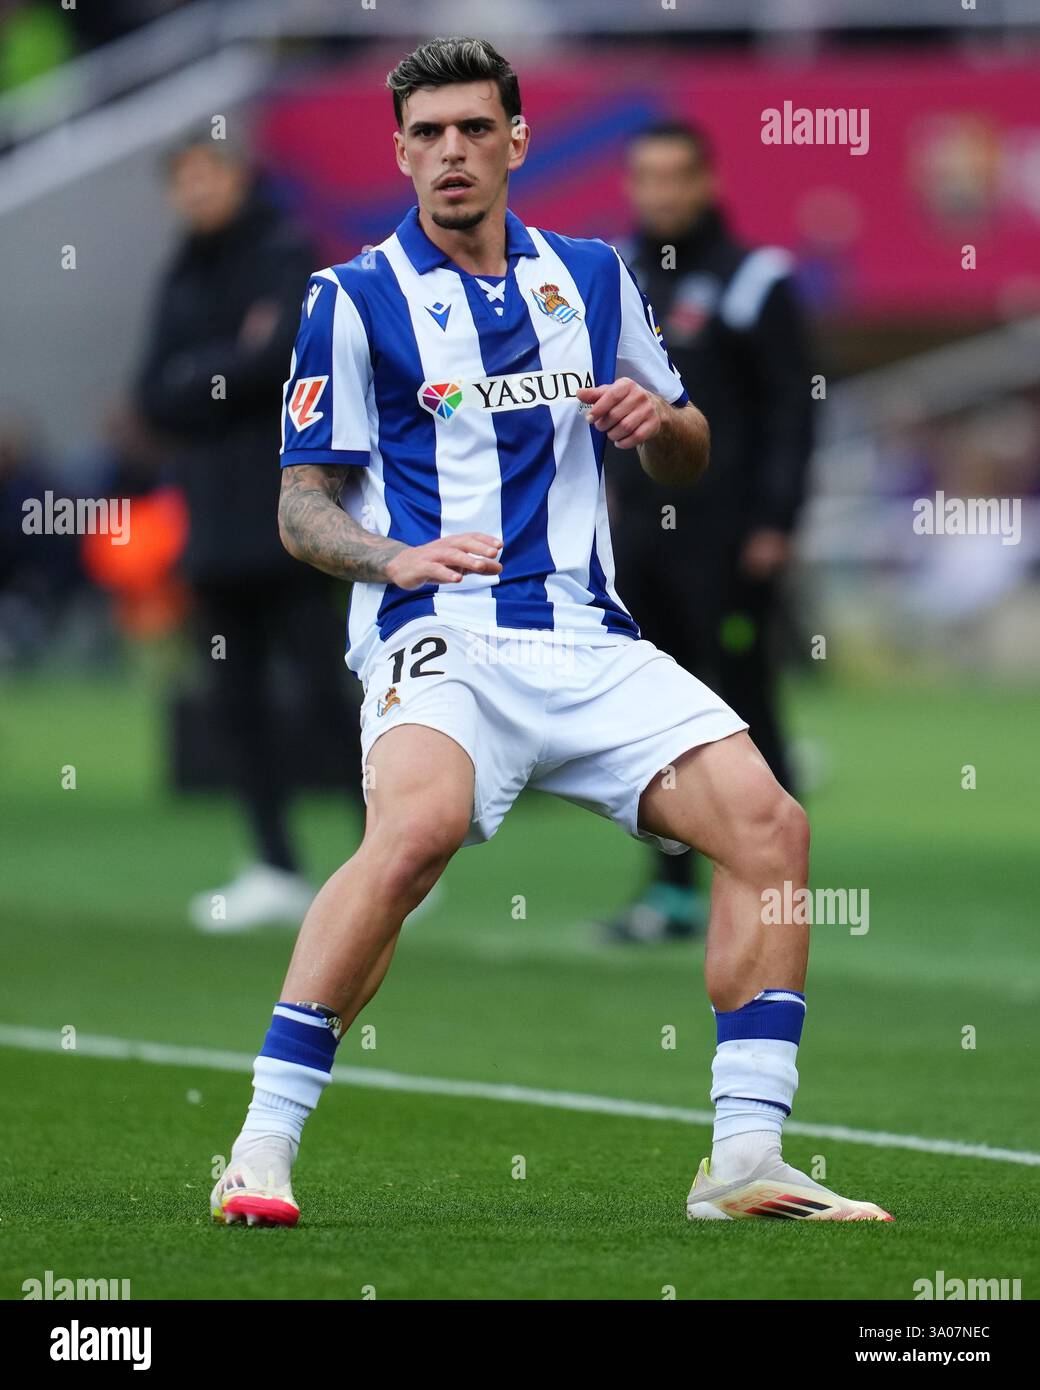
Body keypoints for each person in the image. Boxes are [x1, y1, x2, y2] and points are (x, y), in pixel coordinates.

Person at [209, 36, 891, 1227]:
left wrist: (656, 419)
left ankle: (742, 1156)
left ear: (516, 142)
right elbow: (300, 506)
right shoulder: (349, 298)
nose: (451, 153)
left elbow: (687, 447)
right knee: (413, 831)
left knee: (770, 831)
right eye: (426, 134)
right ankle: (260, 1145)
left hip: (582, 634)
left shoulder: (592, 276)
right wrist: (392, 556)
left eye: (474, 129)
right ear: (401, 152)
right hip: (441, 629)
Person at [135, 130, 360, 930]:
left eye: (207, 176)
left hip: (292, 514)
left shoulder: (284, 249)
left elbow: (279, 365)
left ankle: (388, 852)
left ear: (235, 176)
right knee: (237, 700)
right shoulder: (180, 272)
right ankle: (273, 861)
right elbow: (150, 395)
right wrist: (218, 368)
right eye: (182, 182)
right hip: (213, 522)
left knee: (325, 687)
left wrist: (200, 375)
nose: (196, 193)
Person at [602, 120, 815, 943]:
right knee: (653, 718)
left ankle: (782, 887)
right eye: (646, 177)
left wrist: (775, 521)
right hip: (641, 541)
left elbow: (792, 409)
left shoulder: (754, 279)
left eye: (674, 176)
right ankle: (672, 890)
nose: (660, 193)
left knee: (745, 706)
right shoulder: (616, 275)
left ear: (705, 180)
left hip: (729, 537)